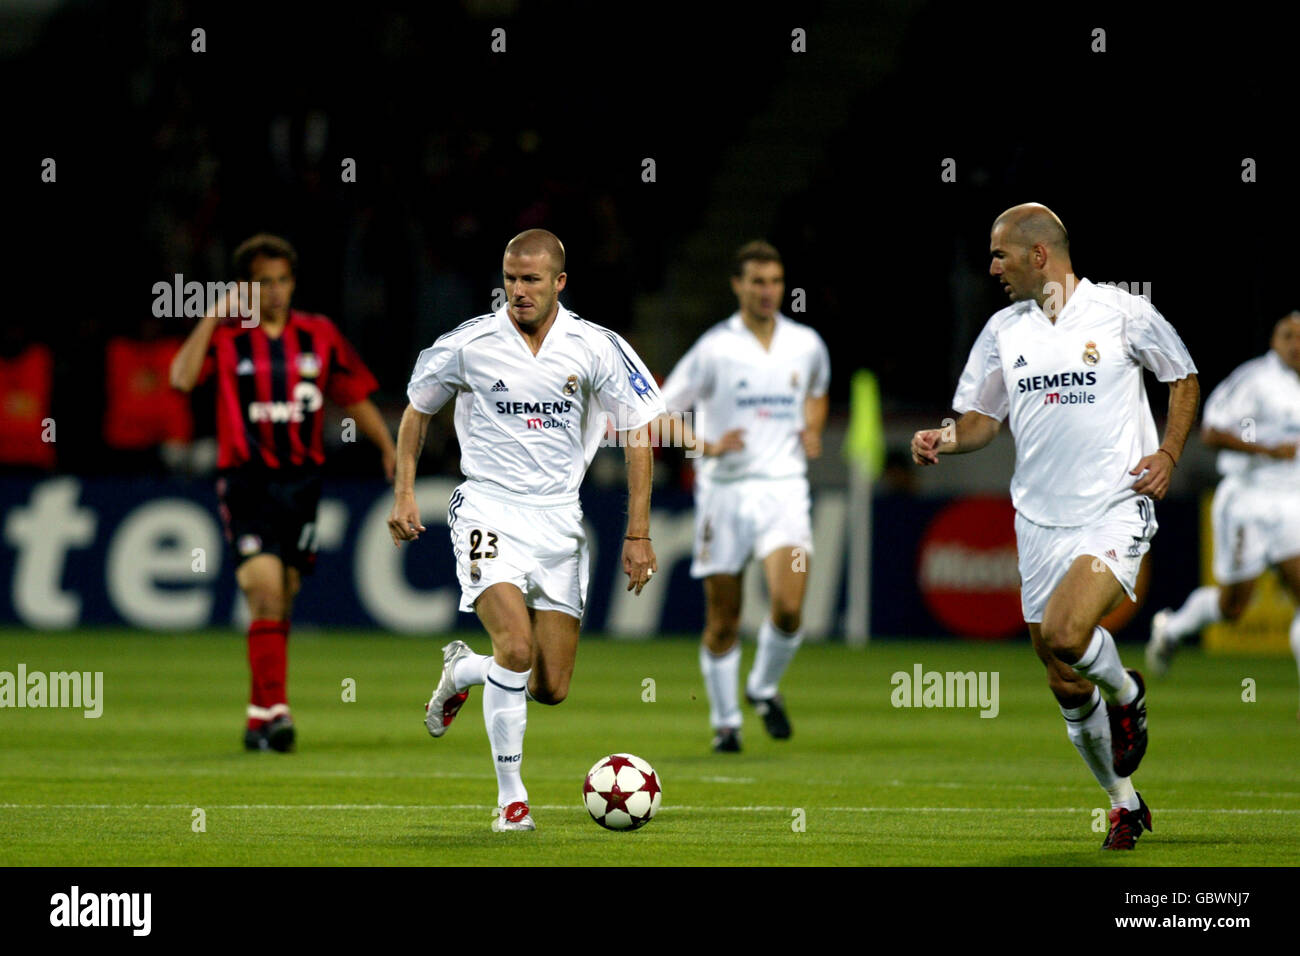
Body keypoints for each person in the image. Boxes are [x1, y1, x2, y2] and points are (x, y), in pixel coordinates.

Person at [910, 203, 1199, 850]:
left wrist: (1169, 454)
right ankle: (1123, 802)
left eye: (999, 254)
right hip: (1038, 519)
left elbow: (1182, 376)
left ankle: (1127, 693)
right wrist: (942, 438)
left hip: (1113, 507)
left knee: (1070, 635)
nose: (991, 267)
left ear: (1039, 255)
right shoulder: (1003, 331)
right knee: (1062, 677)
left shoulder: (1124, 313)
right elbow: (982, 423)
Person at [388, 228, 664, 832]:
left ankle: (463, 671)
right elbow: (417, 409)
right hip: (487, 509)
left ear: (559, 282)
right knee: (515, 645)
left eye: (531, 279)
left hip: (560, 521)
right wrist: (405, 491)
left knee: (550, 686)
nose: (518, 290)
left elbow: (641, 430)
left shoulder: (596, 347)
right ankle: (512, 801)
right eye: (511, 278)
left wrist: (637, 533)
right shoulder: (471, 342)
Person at [171, 233, 395, 752]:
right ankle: (278, 713)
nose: (273, 291)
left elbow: (353, 394)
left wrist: (387, 446)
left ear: (293, 283)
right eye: (261, 282)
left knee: (283, 599)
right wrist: (213, 314)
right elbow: (182, 378)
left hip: (303, 483)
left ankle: (257, 716)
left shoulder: (318, 334)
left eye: (281, 280)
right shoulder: (228, 338)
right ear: (245, 287)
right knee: (265, 591)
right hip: (246, 482)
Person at [657, 240, 829, 752]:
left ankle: (763, 686)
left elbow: (817, 392)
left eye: (775, 281)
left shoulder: (806, 343)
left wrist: (813, 428)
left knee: (789, 604)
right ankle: (726, 722)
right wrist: (705, 444)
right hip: (724, 495)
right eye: (757, 281)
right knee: (723, 619)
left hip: (784, 491)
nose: (767, 291)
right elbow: (663, 412)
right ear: (738, 285)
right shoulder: (715, 348)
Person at [1147, 313, 1300, 712]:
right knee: (1234, 608)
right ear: (1274, 339)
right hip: (1247, 501)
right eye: (1288, 335)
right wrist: (1266, 449)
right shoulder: (1254, 381)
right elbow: (1213, 431)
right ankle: (1173, 629)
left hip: (1292, 503)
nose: (1295, 344)